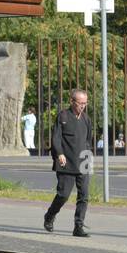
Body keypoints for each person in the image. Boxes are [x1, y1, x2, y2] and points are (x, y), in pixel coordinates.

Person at [44, 89, 93, 238]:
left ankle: (78, 226)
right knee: (63, 195)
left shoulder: (86, 119)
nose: (83, 106)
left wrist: (88, 158)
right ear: (72, 102)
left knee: (84, 195)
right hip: (65, 162)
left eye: (85, 103)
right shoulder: (63, 116)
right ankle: (50, 215)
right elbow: (56, 138)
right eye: (80, 103)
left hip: (83, 161)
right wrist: (59, 154)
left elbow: (88, 141)